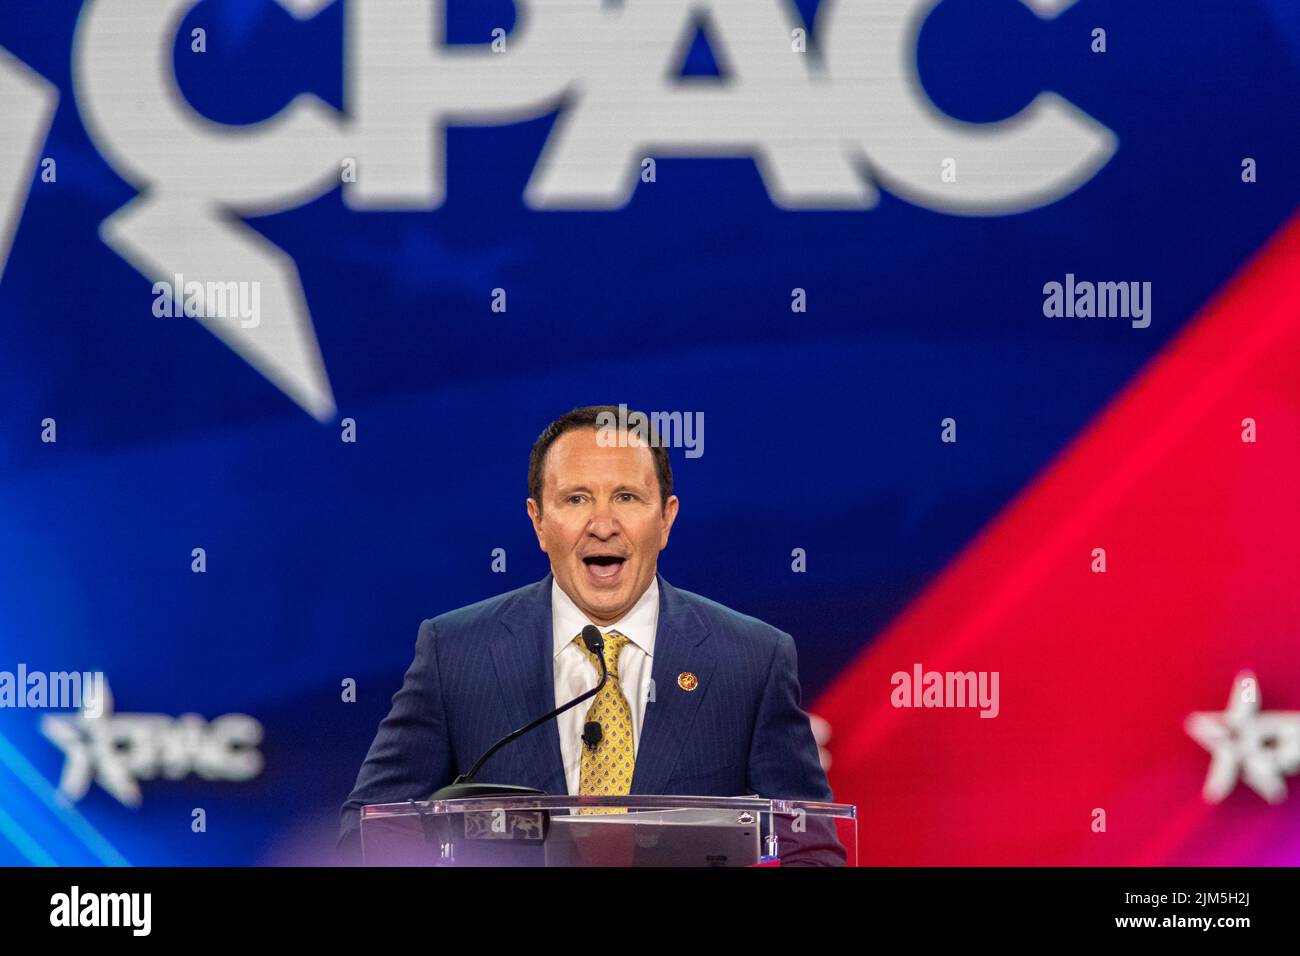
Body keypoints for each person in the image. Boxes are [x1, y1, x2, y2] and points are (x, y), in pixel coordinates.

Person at [339, 405, 840, 863]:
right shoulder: (455, 653)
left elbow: (811, 850)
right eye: (576, 498)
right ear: (538, 521)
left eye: (627, 497)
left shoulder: (752, 659)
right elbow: (371, 829)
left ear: (666, 519)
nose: (602, 524)